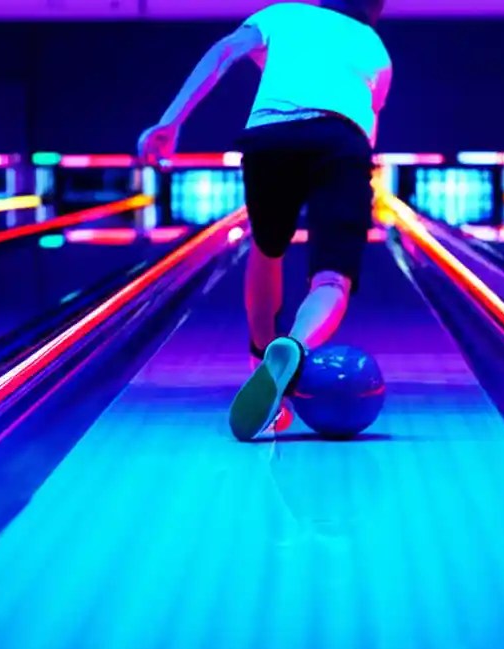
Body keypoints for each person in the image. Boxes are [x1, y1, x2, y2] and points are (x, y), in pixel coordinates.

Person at [138, 0, 392, 441]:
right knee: (332, 280)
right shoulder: (376, 50)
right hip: (342, 137)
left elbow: (223, 52)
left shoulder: (284, 13)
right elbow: (367, 134)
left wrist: (170, 123)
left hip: (269, 136)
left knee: (266, 247)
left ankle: (260, 356)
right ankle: (293, 345)